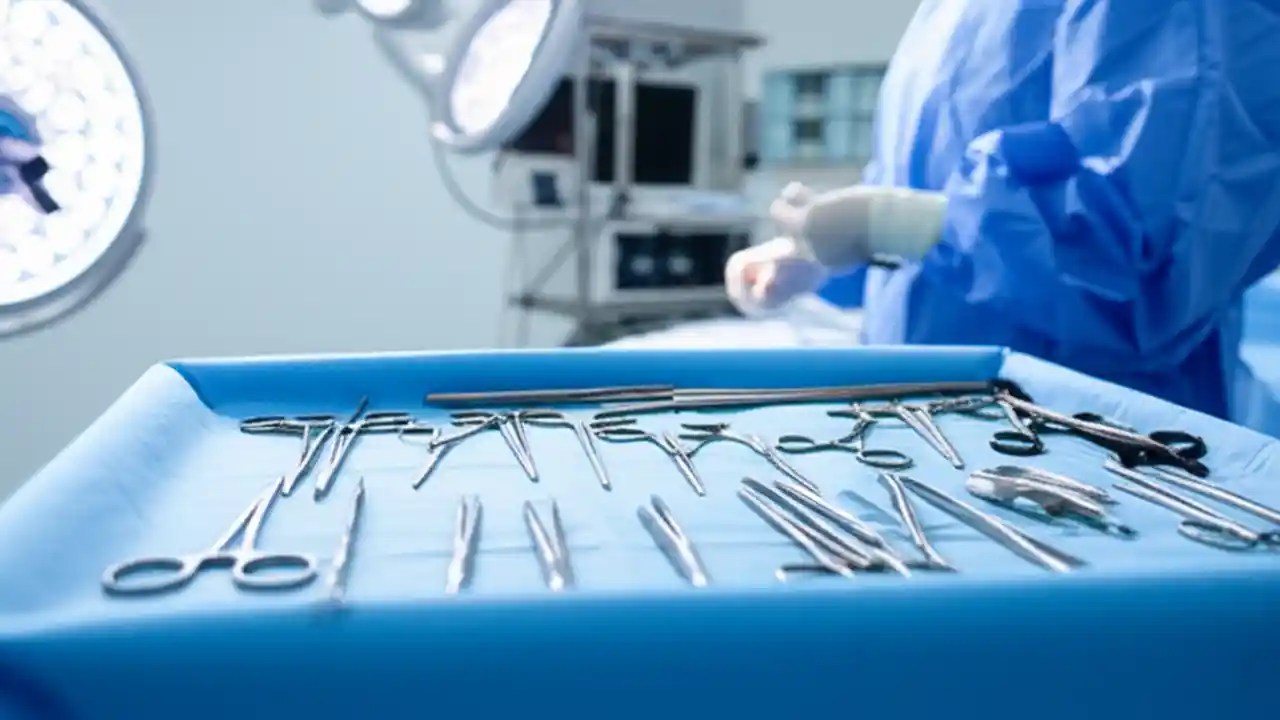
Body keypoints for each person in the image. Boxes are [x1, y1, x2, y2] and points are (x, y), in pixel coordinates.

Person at [725, 0, 1280, 431]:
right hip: (927, 419)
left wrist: (894, 223)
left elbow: (1140, 264)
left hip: (1095, 446)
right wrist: (832, 258)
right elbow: (931, 183)